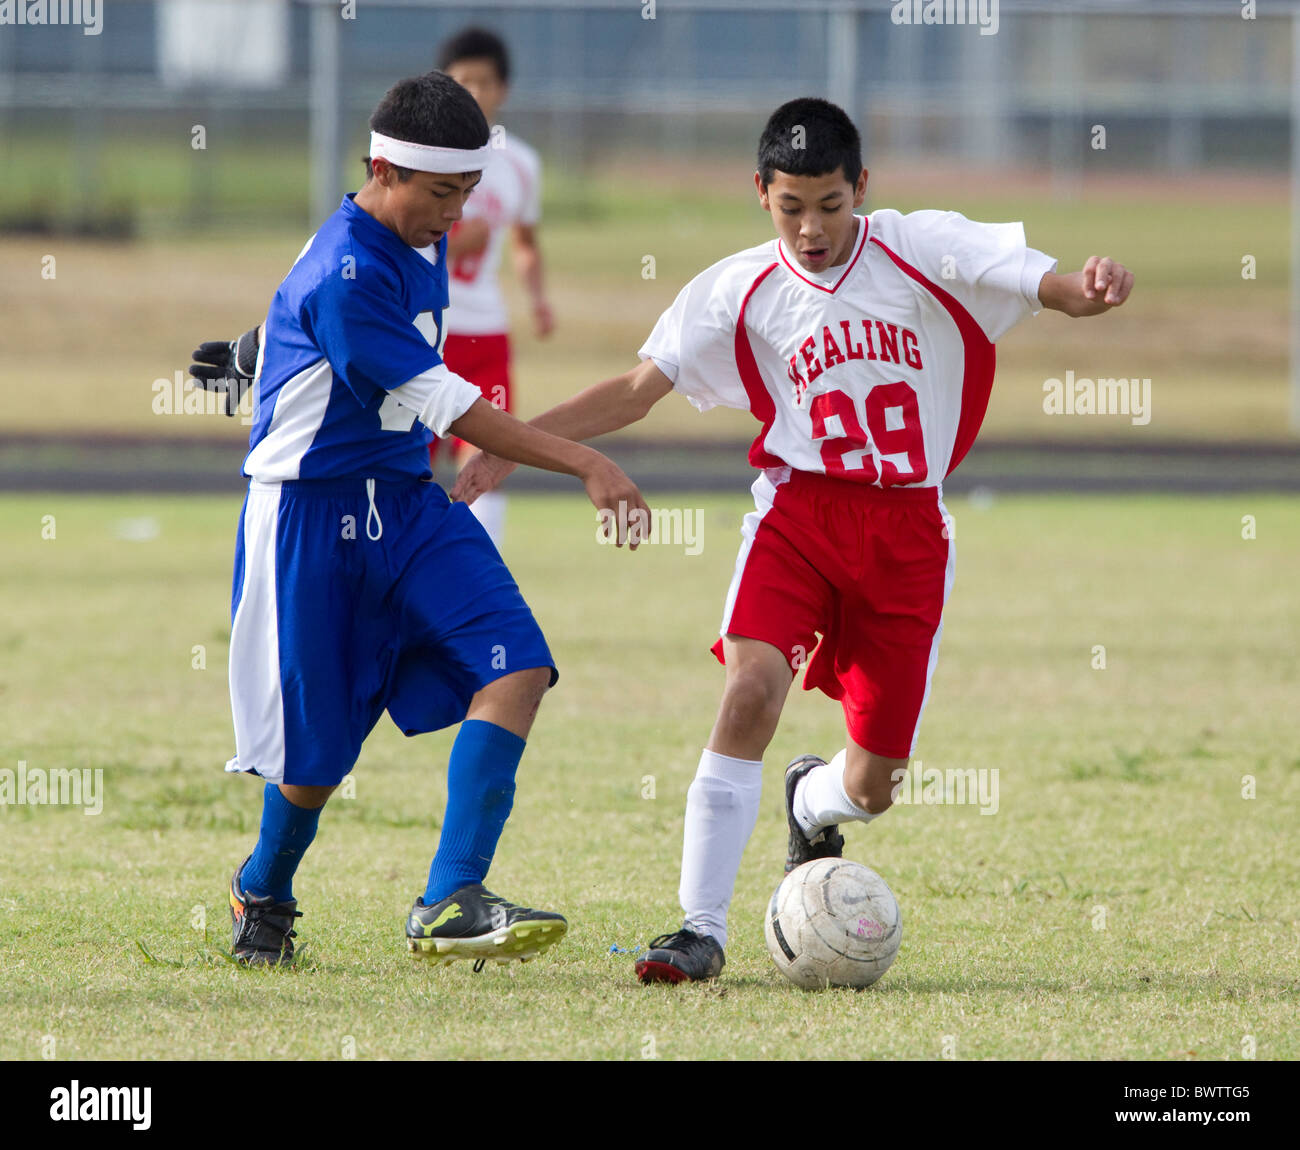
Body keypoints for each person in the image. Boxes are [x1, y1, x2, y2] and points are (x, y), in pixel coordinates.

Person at [452, 97, 1135, 983]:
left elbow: (1046, 285)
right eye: (790, 208)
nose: (811, 228)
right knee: (749, 693)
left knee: (874, 787)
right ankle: (699, 930)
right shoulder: (737, 290)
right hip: (798, 514)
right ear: (761, 194)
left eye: (830, 205)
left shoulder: (925, 248)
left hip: (907, 532)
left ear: (863, 187)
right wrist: (516, 451)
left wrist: (1088, 290)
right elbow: (634, 389)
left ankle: (810, 799)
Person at [191, 70, 648, 968]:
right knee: (317, 764)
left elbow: (330, 318)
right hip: (311, 521)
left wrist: (256, 348)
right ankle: (264, 890)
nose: (456, 215)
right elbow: (447, 400)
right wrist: (586, 459)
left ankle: (450, 898)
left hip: (406, 505)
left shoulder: (409, 234)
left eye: (468, 192)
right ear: (382, 168)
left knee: (517, 665)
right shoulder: (345, 270)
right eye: (442, 194)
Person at [427, 26, 553, 553]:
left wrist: (537, 297)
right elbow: (395, 243)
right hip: (429, 329)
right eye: (463, 82)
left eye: (485, 82)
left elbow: (524, 240)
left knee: (490, 448)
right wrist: (454, 243)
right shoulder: (427, 156)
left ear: (502, 88)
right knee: (408, 451)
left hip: (487, 332)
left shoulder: (521, 164)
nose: (475, 93)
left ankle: (482, 565)